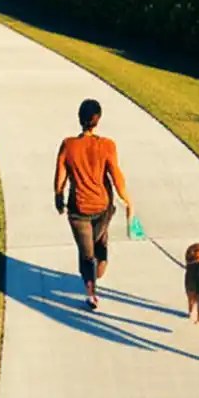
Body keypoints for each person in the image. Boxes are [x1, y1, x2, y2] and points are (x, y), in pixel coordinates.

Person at [54, 99, 134, 310]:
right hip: (102, 208)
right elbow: (116, 177)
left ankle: (91, 294)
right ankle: (102, 255)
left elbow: (60, 176)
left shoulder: (68, 145)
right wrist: (127, 200)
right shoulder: (107, 145)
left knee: (86, 255)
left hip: (79, 210)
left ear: (79, 118)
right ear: (97, 120)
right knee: (99, 251)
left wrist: (58, 195)